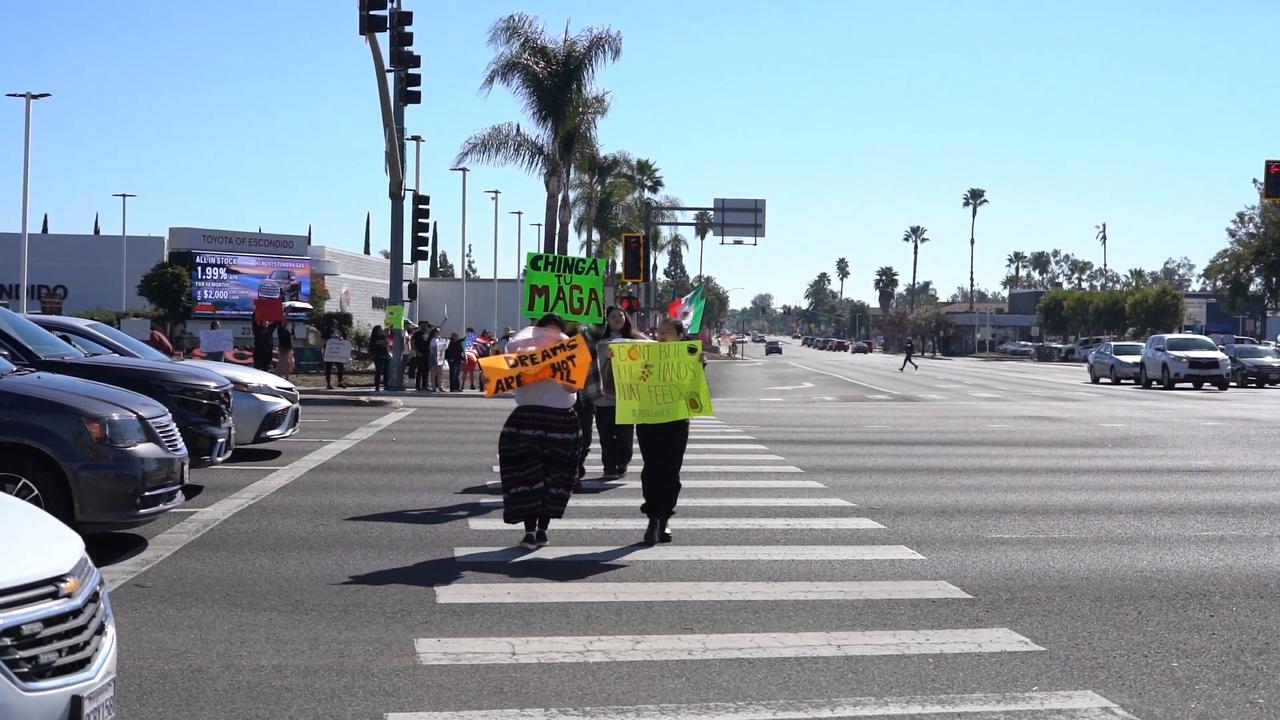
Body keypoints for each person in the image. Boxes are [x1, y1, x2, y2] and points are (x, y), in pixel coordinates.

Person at [496, 313, 581, 549]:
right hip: (527, 420)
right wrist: (531, 366)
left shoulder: (569, 354)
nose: (549, 337)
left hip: (561, 422)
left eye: (555, 333)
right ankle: (529, 531)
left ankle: (543, 529)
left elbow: (572, 386)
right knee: (527, 475)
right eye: (545, 332)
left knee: (554, 478)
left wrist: (556, 367)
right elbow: (507, 381)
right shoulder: (522, 352)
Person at [635, 317, 698, 546]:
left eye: (667, 331)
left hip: (676, 419)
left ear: (680, 335)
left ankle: (664, 518)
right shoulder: (646, 353)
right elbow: (634, 379)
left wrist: (698, 364)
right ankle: (652, 517)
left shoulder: (689, 355)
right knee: (652, 468)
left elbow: (694, 388)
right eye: (659, 331)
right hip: (648, 418)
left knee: (671, 471)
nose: (661, 335)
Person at [588, 306, 649, 479]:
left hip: (627, 397)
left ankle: (623, 461)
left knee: (625, 434)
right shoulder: (598, 341)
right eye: (613, 316)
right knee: (605, 433)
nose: (617, 318)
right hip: (603, 397)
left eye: (620, 315)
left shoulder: (638, 340)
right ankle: (609, 466)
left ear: (626, 318)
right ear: (607, 320)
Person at [323, 325, 347, 389]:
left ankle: (340, 382)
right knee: (328, 368)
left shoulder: (340, 330)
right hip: (329, 353)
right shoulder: (327, 331)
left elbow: (345, 340)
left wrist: (342, 339)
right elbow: (323, 339)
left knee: (341, 367)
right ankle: (329, 383)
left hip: (338, 353)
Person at [369, 325, 391, 391]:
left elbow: (387, 344)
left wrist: (386, 335)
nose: (381, 331)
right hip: (377, 356)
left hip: (385, 355)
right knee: (378, 370)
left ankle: (386, 385)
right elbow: (382, 344)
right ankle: (377, 385)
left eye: (381, 329)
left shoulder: (383, 337)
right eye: (379, 330)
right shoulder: (374, 338)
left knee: (386, 371)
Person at [412, 323, 432, 391]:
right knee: (420, 370)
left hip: (427, 354)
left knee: (426, 371)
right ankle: (418, 386)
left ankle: (425, 386)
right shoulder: (417, 334)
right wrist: (417, 352)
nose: (424, 327)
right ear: (420, 326)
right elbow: (413, 342)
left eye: (425, 325)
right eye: (423, 325)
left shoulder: (428, 333)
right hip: (420, 354)